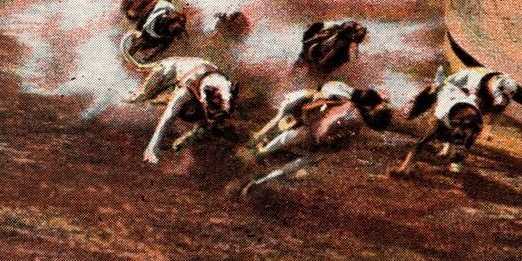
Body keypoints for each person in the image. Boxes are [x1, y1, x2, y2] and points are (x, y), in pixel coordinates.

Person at [241, 82, 393, 196]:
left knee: (295, 148)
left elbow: (337, 136)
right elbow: (316, 106)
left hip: (314, 132)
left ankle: (260, 165)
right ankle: (259, 165)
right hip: (311, 124)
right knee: (295, 148)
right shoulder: (343, 96)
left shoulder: (349, 107)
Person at [128, 56, 237, 166]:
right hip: (168, 69)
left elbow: (224, 102)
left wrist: (219, 112)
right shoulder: (194, 85)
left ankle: (161, 102)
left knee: (205, 116)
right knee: (140, 97)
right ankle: (151, 148)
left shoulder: (225, 88)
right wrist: (152, 148)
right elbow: (168, 116)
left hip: (200, 82)